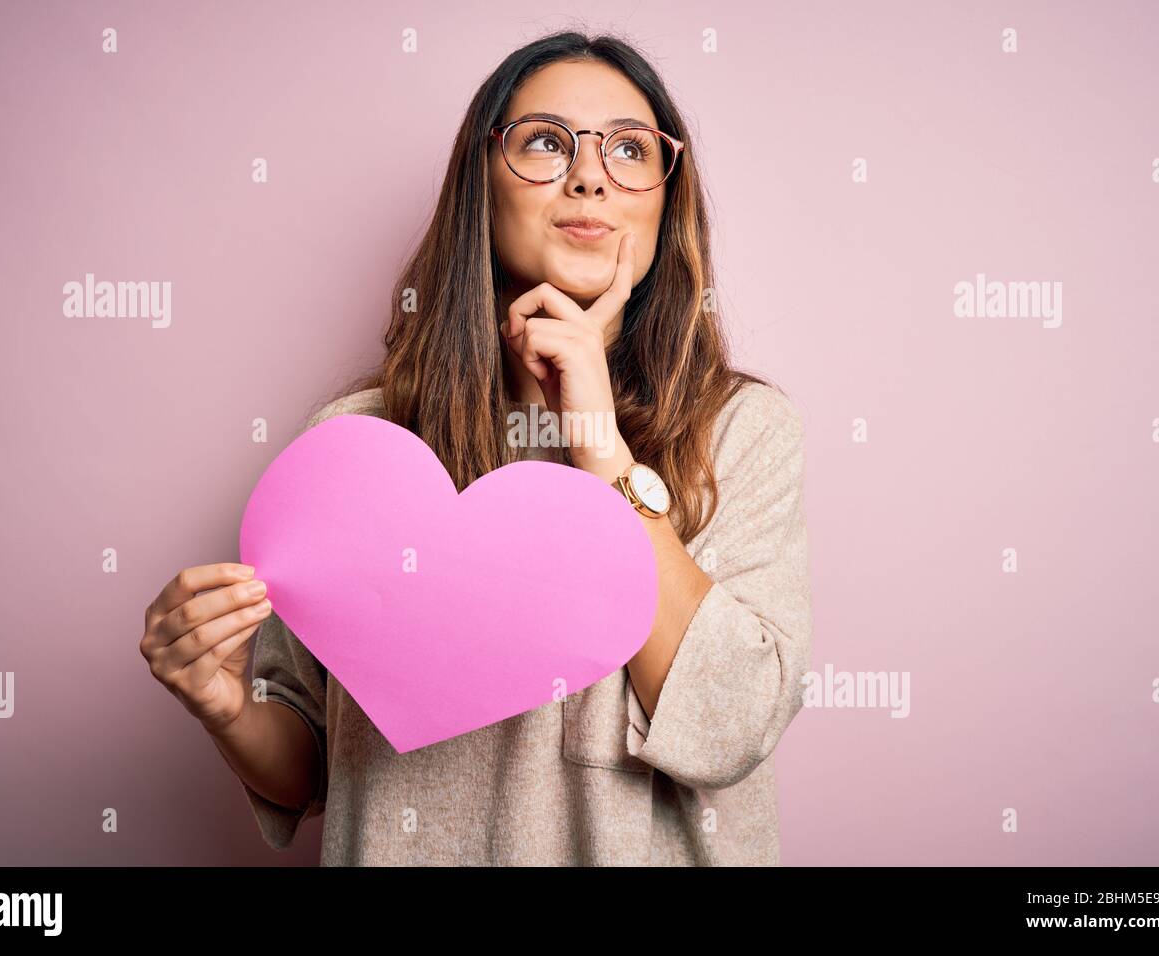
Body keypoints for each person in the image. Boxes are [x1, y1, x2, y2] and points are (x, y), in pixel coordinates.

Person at [140, 30, 812, 865]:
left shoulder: (741, 432)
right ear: (480, 185)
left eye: (631, 150)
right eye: (544, 141)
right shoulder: (358, 447)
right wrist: (223, 702)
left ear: (665, 201)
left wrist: (598, 445)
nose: (590, 174)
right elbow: (311, 766)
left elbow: (734, 721)